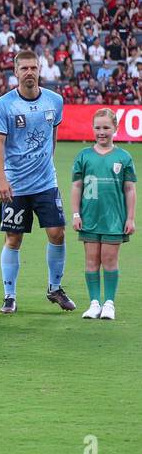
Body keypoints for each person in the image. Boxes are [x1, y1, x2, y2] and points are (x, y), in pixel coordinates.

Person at [0, 49, 74, 313]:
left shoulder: (55, 101)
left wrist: (47, 162)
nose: (29, 72)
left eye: (33, 68)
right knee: (13, 238)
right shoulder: (5, 104)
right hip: (15, 184)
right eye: (24, 68)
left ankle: (54, 288)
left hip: (46, 183)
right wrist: (1, 178)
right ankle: (9, 295)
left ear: (40, 70)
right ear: (15, 72)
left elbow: (54, 134)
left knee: (57, 233)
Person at [71, 109, 137, 320]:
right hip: (89, 217)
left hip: (114, 218)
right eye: (98, 127)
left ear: (115, 129)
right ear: (93, 129)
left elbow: (130, 189)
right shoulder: (84, 156)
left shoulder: (124, 157)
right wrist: (76, 214)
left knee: (109, 260)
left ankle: (109, 303)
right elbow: (76, 187)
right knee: (91, 261)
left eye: (106, 127)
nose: (102, 132)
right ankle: (94, 303)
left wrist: (130, 218)